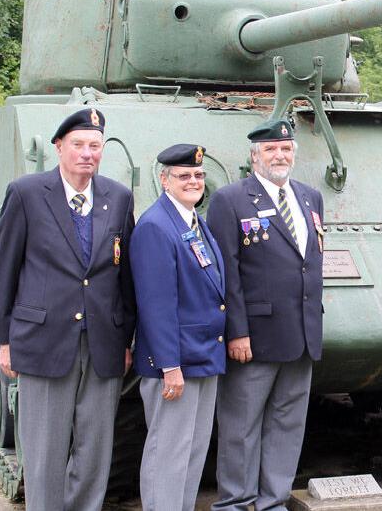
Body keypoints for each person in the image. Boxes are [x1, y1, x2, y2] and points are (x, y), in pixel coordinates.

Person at [0, 108, 136, 511]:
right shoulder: (26, 194)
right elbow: (6, 271)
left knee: (94, 451)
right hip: (43, 340)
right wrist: (5, 341)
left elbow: (125, 278)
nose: (87, 154)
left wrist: (126, 339)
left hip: (103, 344)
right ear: (59, 147)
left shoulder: (118, 197)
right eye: (78, 145)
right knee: (45, 451)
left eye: (95, 146)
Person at [205, 119, 324, 511]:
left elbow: (309, 264)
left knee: (287, 425)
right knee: (240, 428)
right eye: (271, 149)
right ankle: (236, 503)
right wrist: (236, 331)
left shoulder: (310, 197)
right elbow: (227, 272)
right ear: (255, 156)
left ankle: (273, 502)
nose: (280, 155)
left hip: (301, 334)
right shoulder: (231, 199)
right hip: (253, 337)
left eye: (286, 149)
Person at [131, 144, 227, 510]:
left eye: (199, 175)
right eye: (183, 175)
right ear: (164, 180)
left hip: (202, 356)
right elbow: (156, 305)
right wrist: (170, 366)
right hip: (176, 365)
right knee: (167, 456)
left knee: (191, 455)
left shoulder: (192, 221)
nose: (193, 181)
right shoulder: (156, 226)